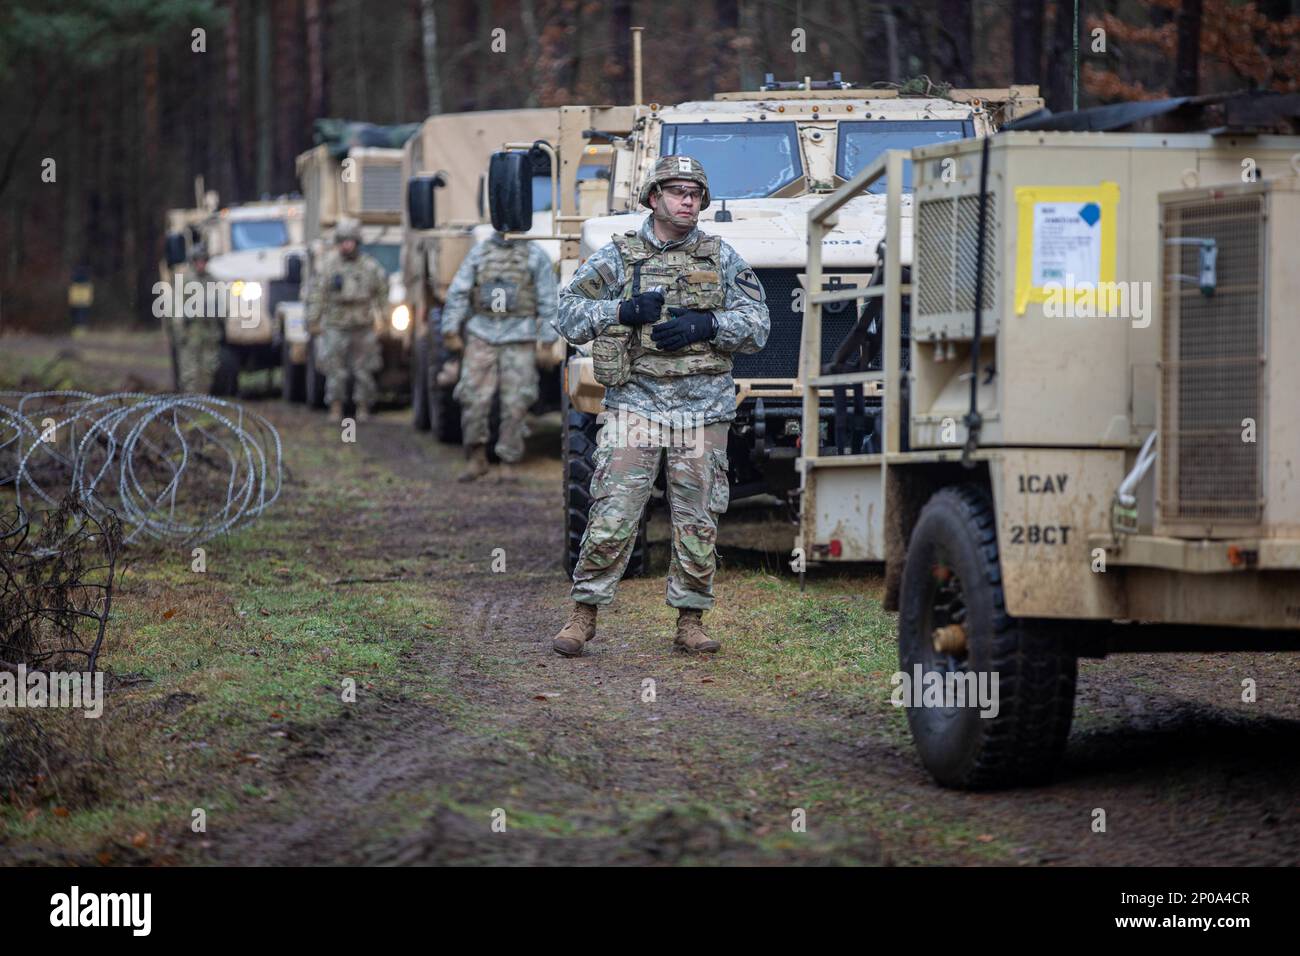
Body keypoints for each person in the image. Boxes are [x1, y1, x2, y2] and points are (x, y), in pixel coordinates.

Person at [549, 156, 769, 656]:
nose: (688, 200)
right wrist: (619, 311)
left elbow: (759, 326)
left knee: (697, 519)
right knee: (613, 512)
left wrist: (709, 326)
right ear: (654, 198)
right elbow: (565, 312)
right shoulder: (619, 257)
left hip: (702, 408)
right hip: (637, 405)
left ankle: (690, 621)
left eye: (695, 193)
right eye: (677, 192)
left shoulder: (722, 257)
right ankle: (583, 615)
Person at [440, 231, 558, 481]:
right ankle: (476, 457)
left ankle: (509, 460)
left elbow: (549, 299)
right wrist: (450, 328)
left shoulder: (535, 255)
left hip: (520, 336)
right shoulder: (479, 253)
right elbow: (459, 291)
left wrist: (547, 341)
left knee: (516, 402)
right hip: (481, 333)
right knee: (472, 398)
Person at [306, 218, 388, 421]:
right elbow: (318, 294)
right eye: (343, 241)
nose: (347, 245)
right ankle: (336, 407)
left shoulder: (370, 267)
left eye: (351, 241)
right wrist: (313, 319)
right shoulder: (328, 266)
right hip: (335, 324)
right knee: (335, 369)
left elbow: (382, 292)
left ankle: (362, 407)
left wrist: (383, 317)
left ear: (357, 242)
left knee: (364, 370)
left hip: (363, 324)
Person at [178, 245, 222, 393]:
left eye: (203, 261)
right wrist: (180, 329)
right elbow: (177, 306)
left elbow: (221, 305)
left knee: (209, 366)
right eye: (198, 261)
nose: (201, 264)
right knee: (189, 366)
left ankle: (204, 396)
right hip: (192, 330)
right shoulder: (186, 280)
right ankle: (190, 396)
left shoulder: (213, 280)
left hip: (209, 330)